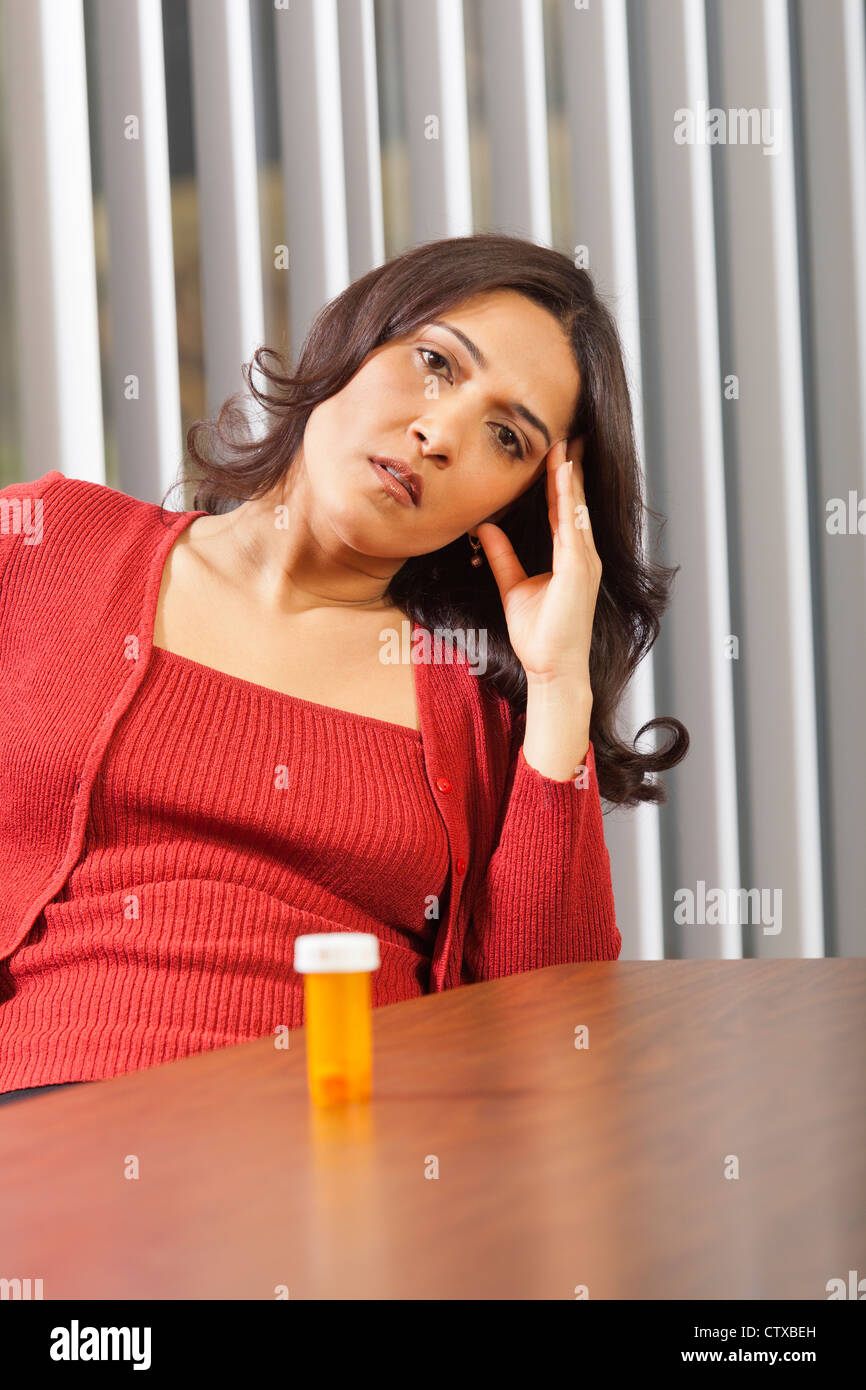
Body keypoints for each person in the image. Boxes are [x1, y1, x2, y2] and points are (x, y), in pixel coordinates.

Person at [0, 232, 687, 1098]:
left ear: (523, 504)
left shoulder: (476, 702)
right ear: (355, 341)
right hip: (55, 1133)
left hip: (361, 1155)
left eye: (507, 439)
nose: (440, 433)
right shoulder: (41, 547)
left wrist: (557, 690)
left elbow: (552, 1036)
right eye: (436, 362)